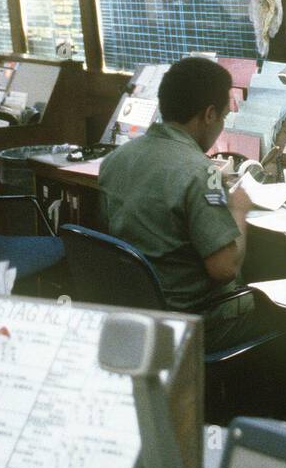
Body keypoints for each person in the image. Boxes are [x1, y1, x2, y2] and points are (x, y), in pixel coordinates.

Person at [99, 56, 268, 350]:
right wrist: (238, 209)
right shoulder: (200, 173)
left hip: (139, 315)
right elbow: (224, 268)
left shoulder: (116, 160)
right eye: (224, 118)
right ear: (210, 115)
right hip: (196, 321)